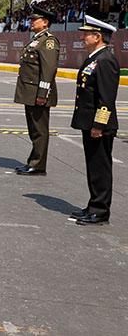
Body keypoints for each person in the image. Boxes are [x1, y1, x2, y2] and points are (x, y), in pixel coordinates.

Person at [69, 15, 119, 226]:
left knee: (100, 167)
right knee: (93, 166)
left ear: (97, 36)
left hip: (99, 126)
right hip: (89, 123)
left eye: (86, 34)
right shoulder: (96, 57)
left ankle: (100, 211)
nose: (82, 37)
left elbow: (106, 98)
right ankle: (94, 205)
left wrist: (99, 124)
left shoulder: (106, 60)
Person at [13, 7, 59, 176]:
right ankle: (34, 161)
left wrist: (42, 94)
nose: (31, 22)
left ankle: (38, 165)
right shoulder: (36, 39)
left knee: (39, 130)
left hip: (38, 93)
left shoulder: (48, 41)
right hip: (30, 92)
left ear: (45, 22)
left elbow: (48, 70)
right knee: (33, 129)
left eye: (35, 20)